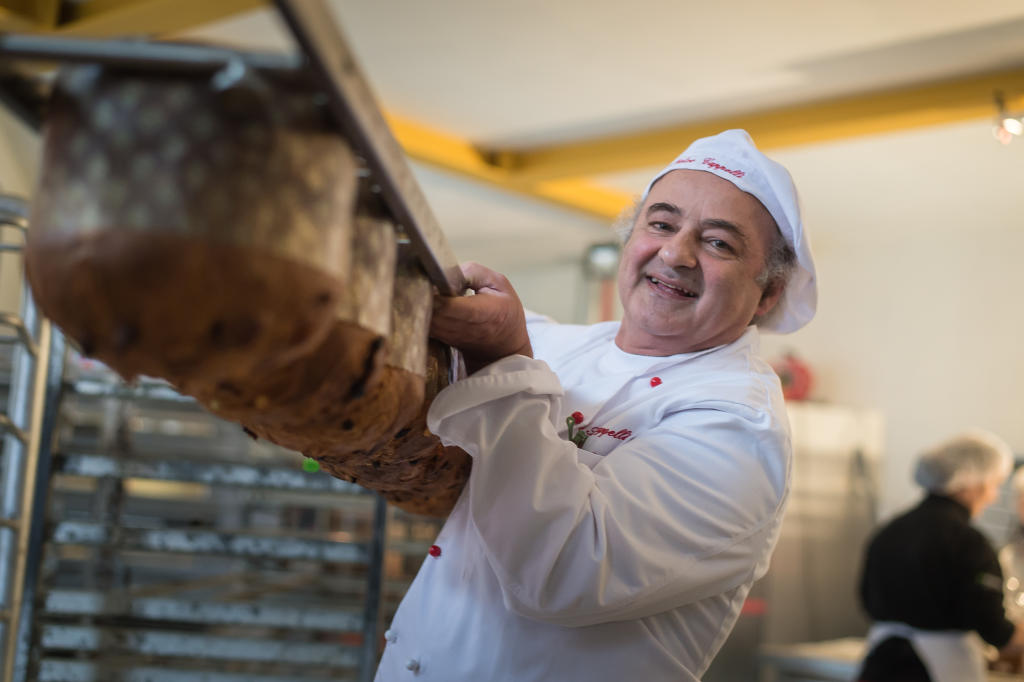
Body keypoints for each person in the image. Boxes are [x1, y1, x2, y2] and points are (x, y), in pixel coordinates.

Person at [374, 129, 817, 681]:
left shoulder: (737, 424)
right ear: (632, 238)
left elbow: (561, 572)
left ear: (768, 293)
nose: (676, 253)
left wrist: (500, 356)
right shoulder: (568, 345)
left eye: (719, 243)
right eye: (661, 223)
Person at [857, 431, 1024, 682]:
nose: (994, 496)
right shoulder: (969, 542)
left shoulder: (889, 531)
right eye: (993, 485)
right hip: (938, 670)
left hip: (880, 664)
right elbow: (994, 627)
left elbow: (865, 598)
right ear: (971, 484)